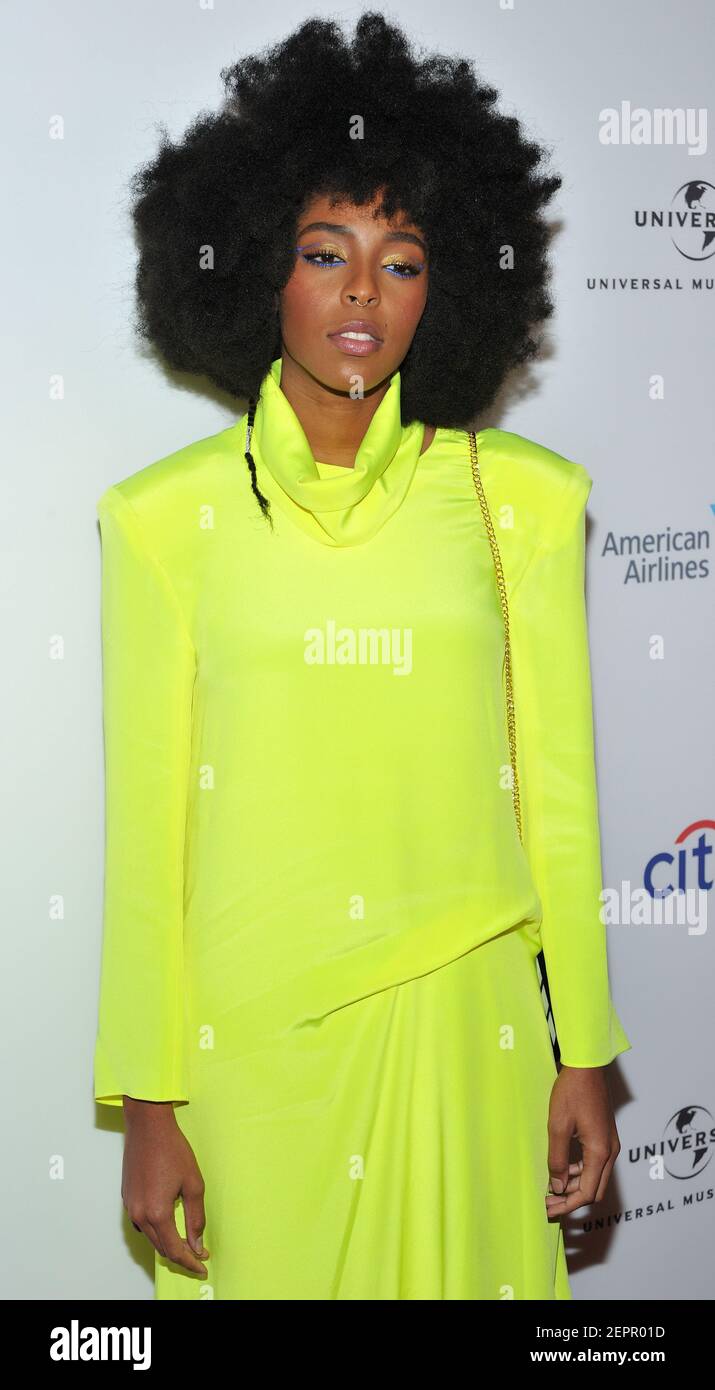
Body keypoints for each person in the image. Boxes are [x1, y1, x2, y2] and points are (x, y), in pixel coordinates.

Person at [93, 11, 631, 1300]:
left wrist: (583, 1055)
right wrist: (151, 1100)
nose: (359, 293)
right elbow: (146, 840)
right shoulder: (163, 521)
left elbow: (558, 801)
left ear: (446, 290)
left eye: (401, 261)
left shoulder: (523, 507)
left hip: (469, 1027)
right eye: (325, 252)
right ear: (256, 270)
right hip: (251, 1056)